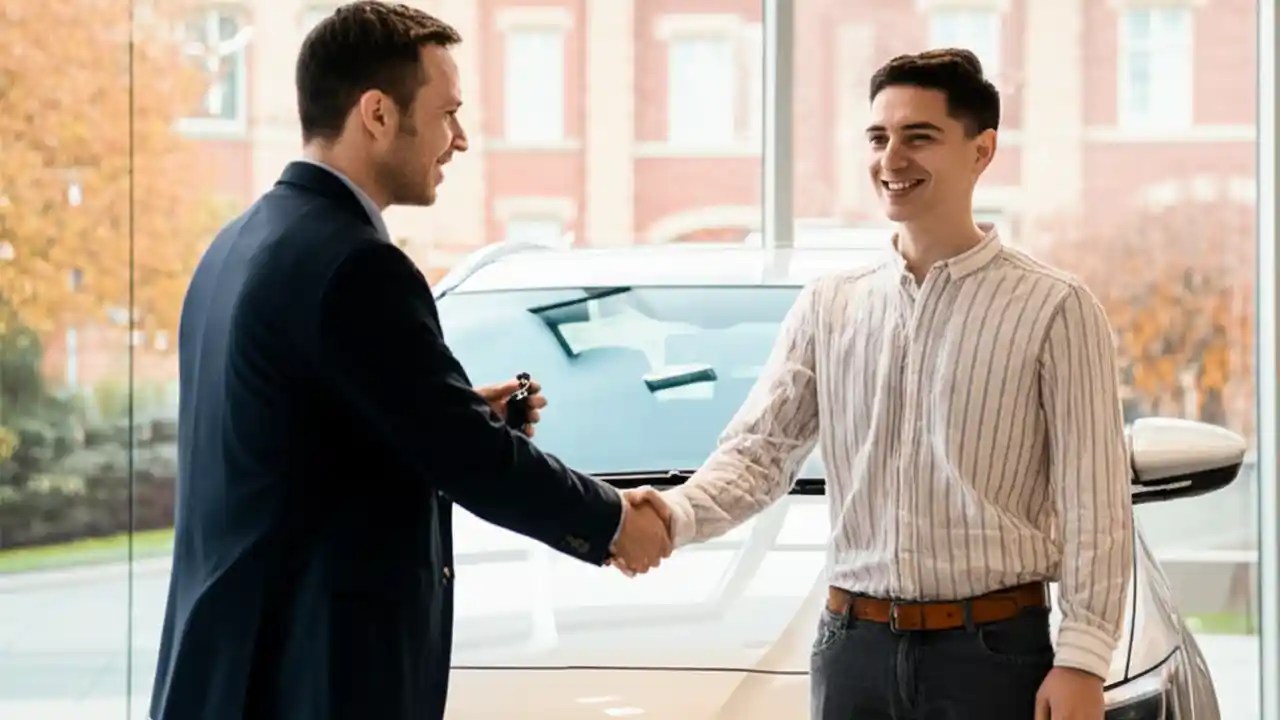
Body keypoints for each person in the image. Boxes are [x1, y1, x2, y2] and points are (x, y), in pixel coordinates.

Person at [148, 4, 671, 720]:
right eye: (448, 113)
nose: (460, 140)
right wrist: (614, 520)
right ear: (378, 114)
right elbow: (468, 459)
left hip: (223, 671)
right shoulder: (357, 265)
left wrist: (457, 417)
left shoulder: (236, 245)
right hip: (309, 680)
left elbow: (299, 440)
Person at [624, 49, 1133, 719]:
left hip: (993, 656)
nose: (891, 160)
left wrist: (1082, 660)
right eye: (878, 137)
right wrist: (674, 514)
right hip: (852, 649)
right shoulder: (830, 304)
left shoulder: (1055, 307)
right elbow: (759, 453)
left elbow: (1094, 499)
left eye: (919, 137)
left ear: (981, 151)